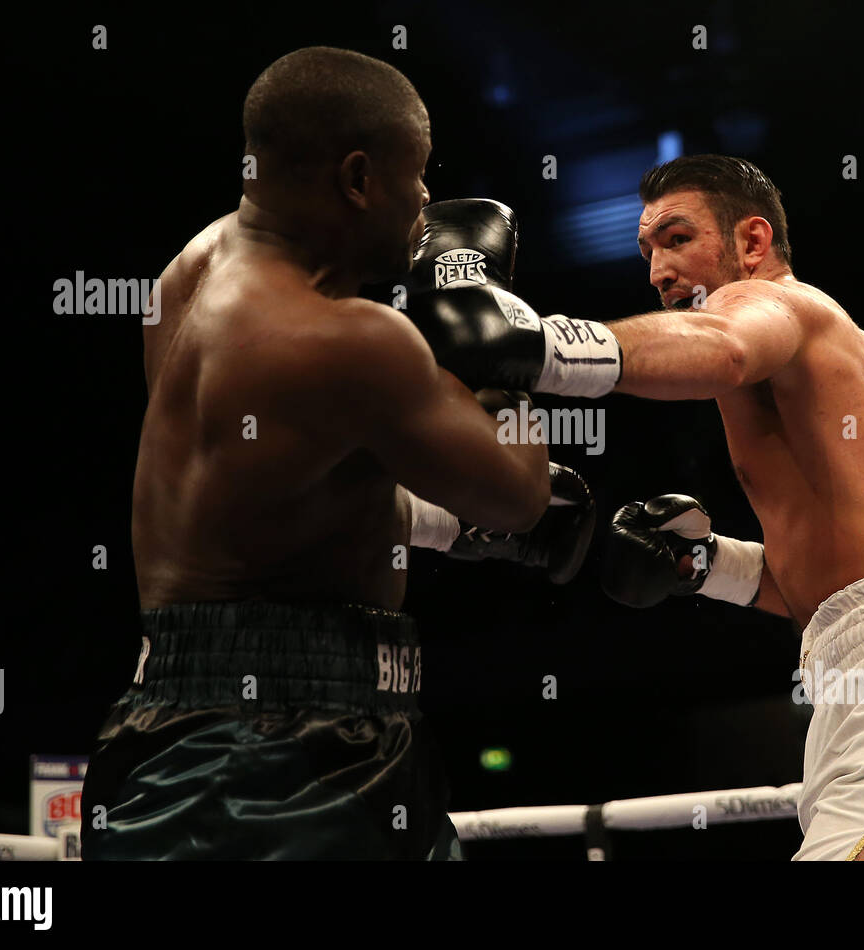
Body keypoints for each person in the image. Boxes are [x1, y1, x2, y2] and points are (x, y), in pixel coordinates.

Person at [405, 154, 864, 860]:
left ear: (752, 243)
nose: (657, 271)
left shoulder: (776, 305)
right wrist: (705, 565)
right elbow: (854, 580)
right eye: (648, 251)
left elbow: (723, 350)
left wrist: (536, 345)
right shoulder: (836, 358)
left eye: (678, 239)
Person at [80, 47, 576, 860]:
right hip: (280, 757)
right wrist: (495, 327)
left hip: (206, 719)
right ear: (358, 178)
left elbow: (289, 490)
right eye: (416, 178)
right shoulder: (350, 342)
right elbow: (518, 497)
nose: (425, 204)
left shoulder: (182, 279)